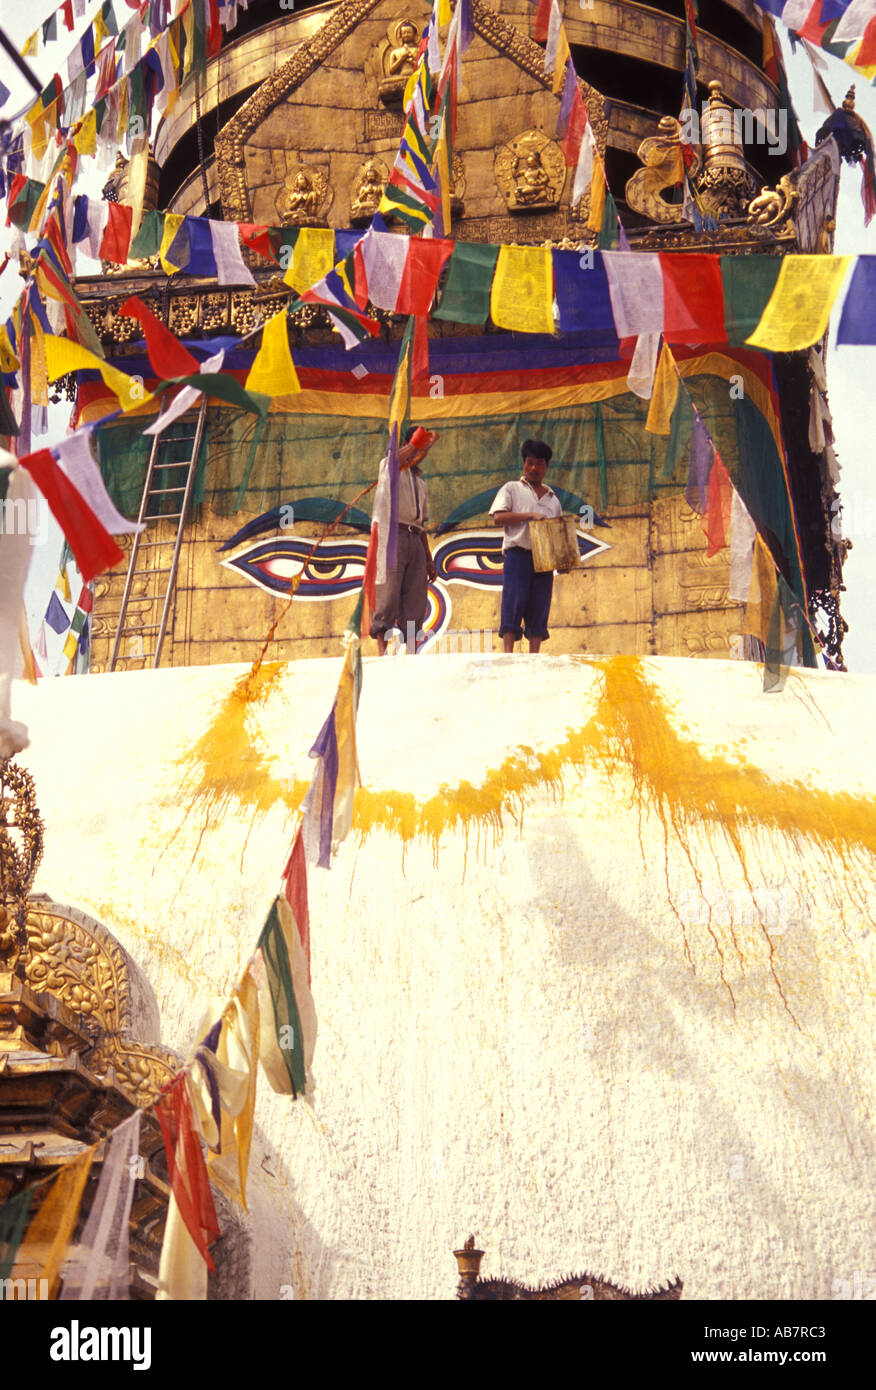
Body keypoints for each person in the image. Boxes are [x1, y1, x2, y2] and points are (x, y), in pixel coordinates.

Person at [490, 439, 563, 653]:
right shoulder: (512, 489)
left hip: (545, 560)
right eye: (530, 463)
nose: (534, 468)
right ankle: (508, 654)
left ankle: (534, 656)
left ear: (546, 467)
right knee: (514, 601)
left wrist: (562, 561)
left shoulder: (553, 500)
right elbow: (498, 517)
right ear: (524, 464)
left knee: (540, 605)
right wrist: (529, 515)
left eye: (539, 464)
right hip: (518, 554)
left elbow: (558, 534)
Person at [370, 426, 438, 655]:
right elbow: (394, 460)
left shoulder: (421, 483)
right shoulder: (390, 468)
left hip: (414, 537)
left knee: (415, 598)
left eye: (424, 450)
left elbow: (422, 525)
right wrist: (416, 444)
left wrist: (428, 558)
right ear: (405, 446)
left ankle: (411, 651)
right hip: (393, 535)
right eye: (417, 447)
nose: (420, 453)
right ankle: (382, 651)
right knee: (388, 594)